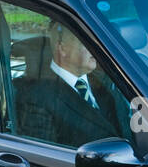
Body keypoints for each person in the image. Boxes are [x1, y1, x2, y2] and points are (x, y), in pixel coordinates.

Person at [15, 19, 129, 147]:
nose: (97, 48)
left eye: (97, 42)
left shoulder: (107, 80)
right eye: (87, 43)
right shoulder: (36, 97)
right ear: (62, 48)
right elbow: (46, 155)